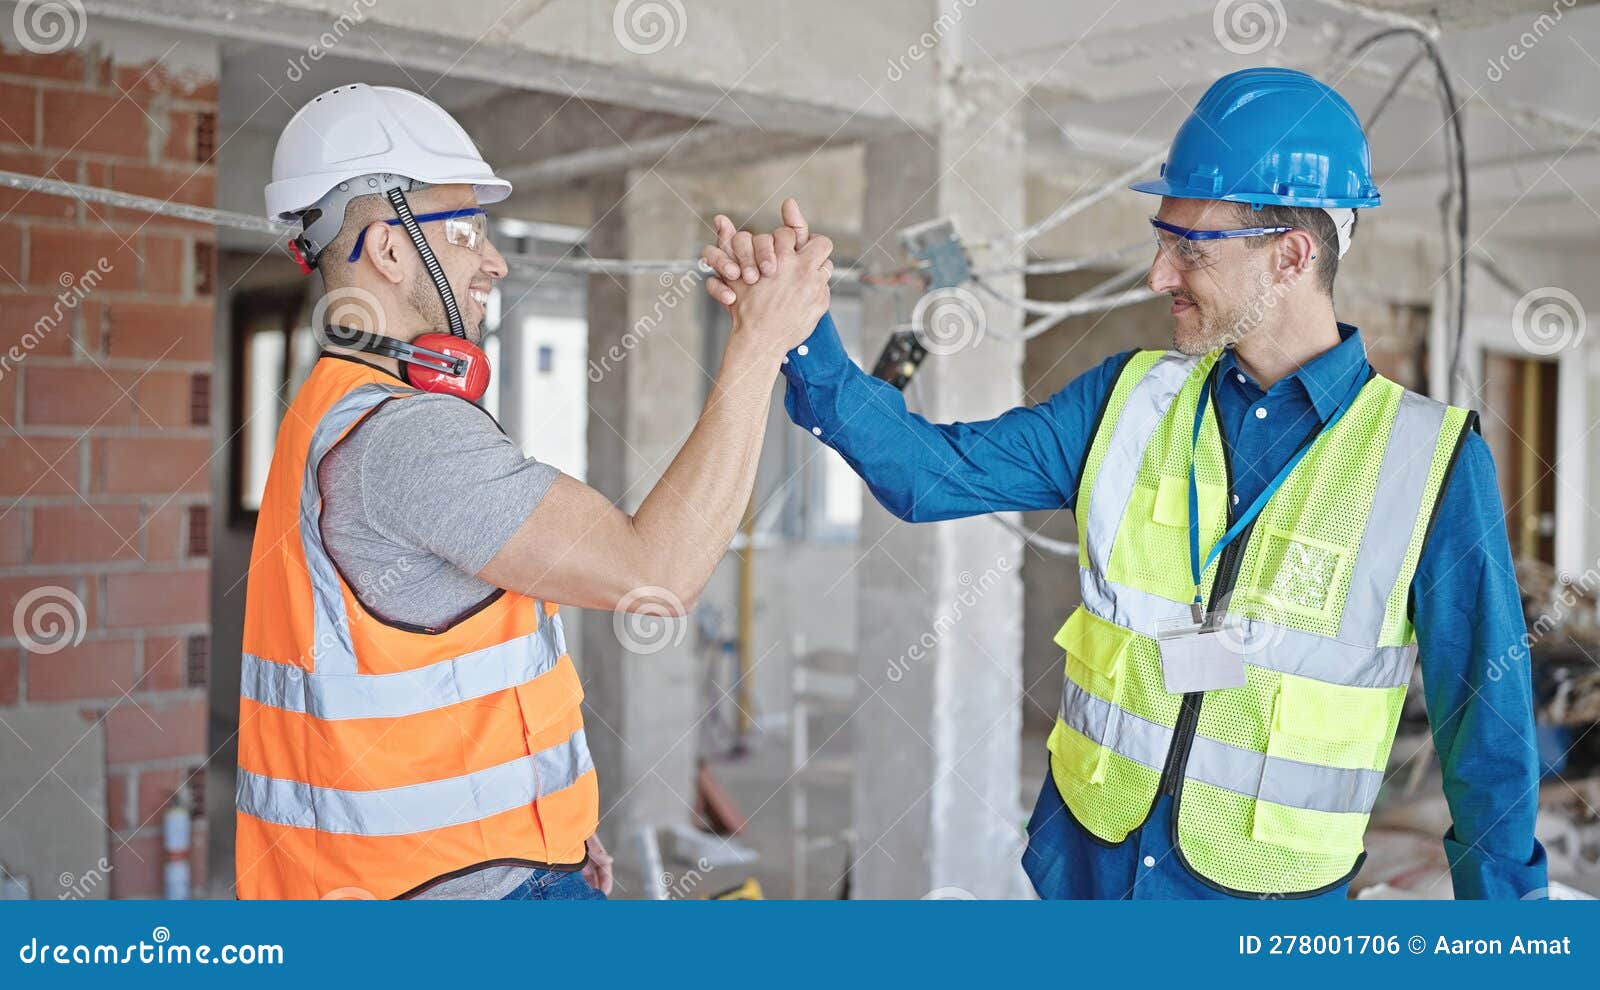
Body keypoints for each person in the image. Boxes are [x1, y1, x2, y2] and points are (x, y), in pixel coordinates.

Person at [703, 67, 1547, 899]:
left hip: (1261, 907)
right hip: (1090, 869)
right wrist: (803, 336)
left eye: (1190, 245)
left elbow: (1489, 732)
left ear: (1291, 255)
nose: (1158, 275)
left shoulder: (1427, 460)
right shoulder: (1128, 399)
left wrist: (1508, 940)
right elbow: (930, 475)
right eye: (1162, 238)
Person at [237, 83, 832, 900]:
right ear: (389, 250)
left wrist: (550, 831)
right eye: (470, 231)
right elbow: (656, 572)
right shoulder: (409, 438)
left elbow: (455, 666)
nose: (496, 261)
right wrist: (760, 343)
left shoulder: (335, 406)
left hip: (440, 879)